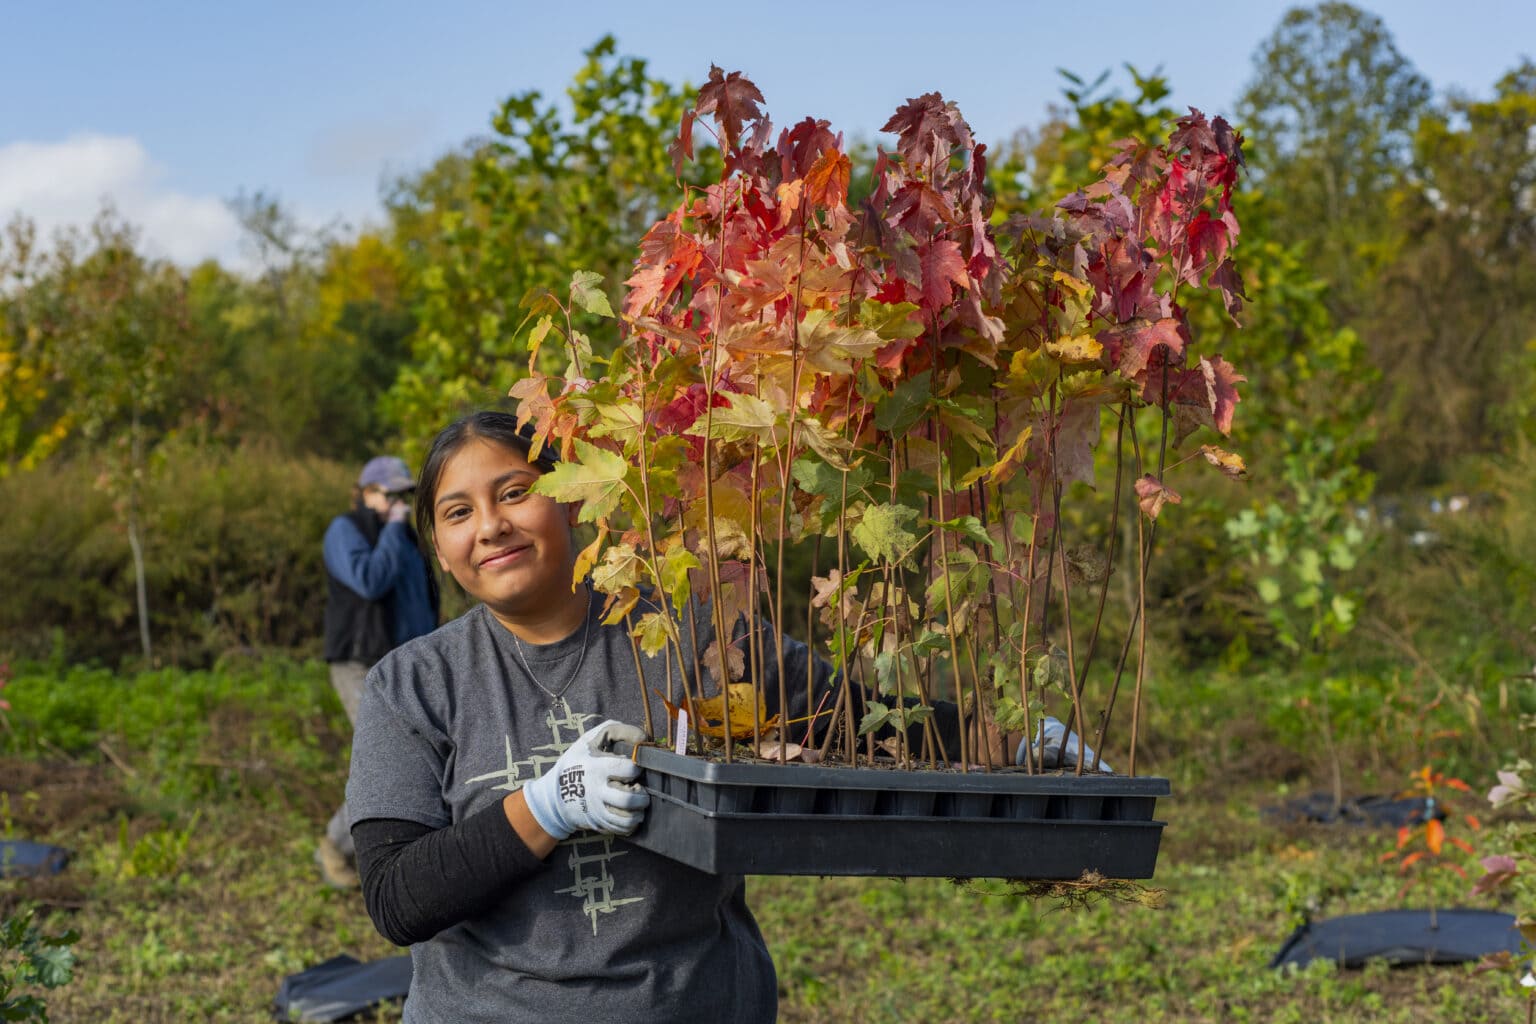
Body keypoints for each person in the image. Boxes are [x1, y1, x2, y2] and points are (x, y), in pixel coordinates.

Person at [344, 411, 1103, 1022]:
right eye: (457, 512)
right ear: (440, 551)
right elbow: (396, 897)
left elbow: (854, 718)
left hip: (695, 1002)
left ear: (573, 497)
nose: (491, 526)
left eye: (514, 492)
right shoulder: (413, 685)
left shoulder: (689, 636)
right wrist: (547, 805)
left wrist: (1017, 746)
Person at [318, 454, 438, 888]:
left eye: (404, 495)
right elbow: (368, 580)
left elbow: (420, 602)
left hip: (404, 665)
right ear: (365, 494)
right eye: (389, 495)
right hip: (359, 663)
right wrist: (390, 527)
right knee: (381, 761)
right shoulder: (345, 531)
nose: (399, 504)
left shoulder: (404, 538)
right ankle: (336, 847)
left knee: (418, 760)